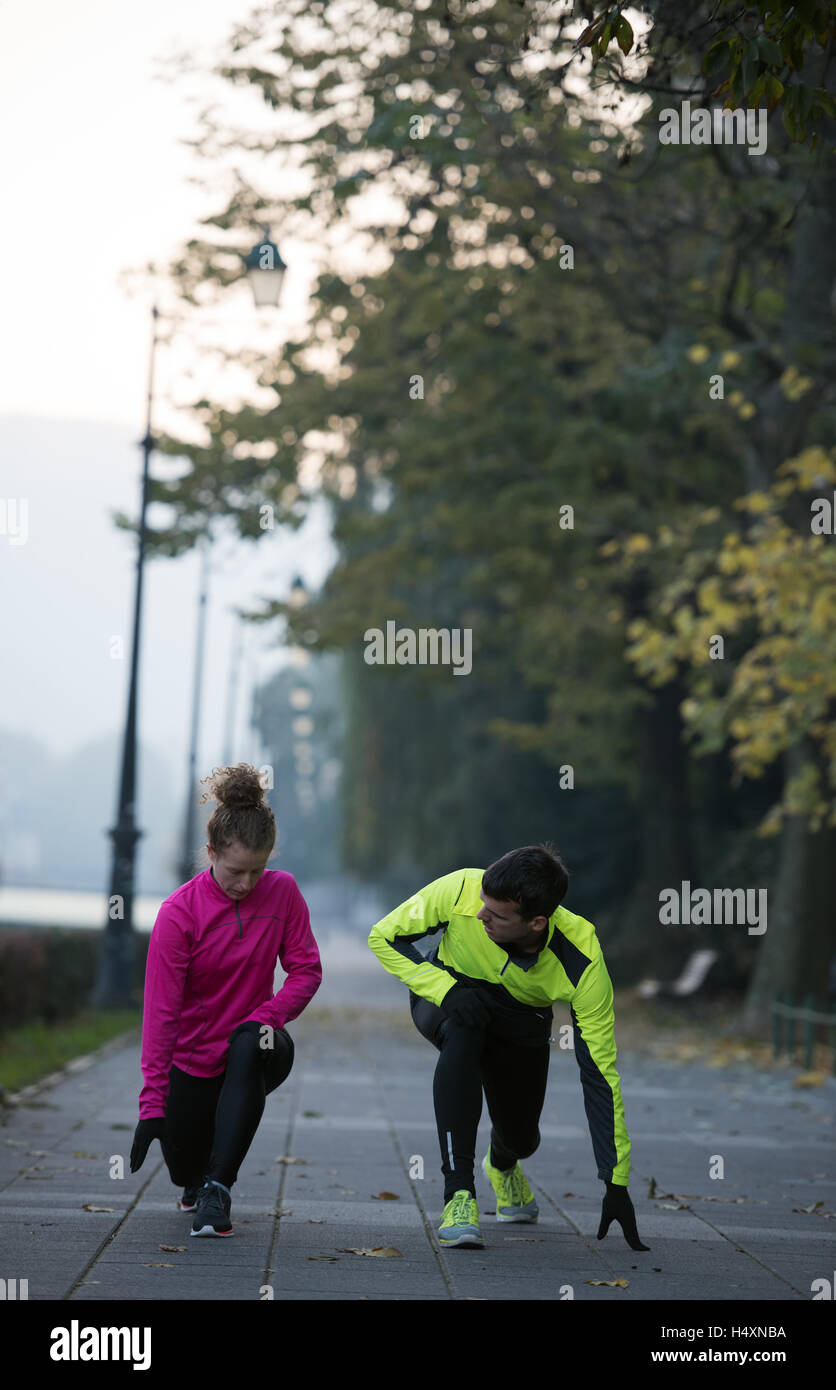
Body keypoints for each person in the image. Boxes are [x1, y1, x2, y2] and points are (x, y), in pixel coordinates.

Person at [368, 843, 649, 1251]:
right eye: (483, 904)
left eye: (496, 915)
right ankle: (459, 1196)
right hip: (449, 996)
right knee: (464, 1033)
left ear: (536, 923)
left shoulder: (582, 958)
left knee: (522, 1138)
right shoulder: (462, 887)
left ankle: (502, 1164)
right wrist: (445, 990)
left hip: (523, 1023)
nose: (480, 914)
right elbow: (384, 937)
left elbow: (599, 1074)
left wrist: (616, 1180)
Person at [129, 763, 322, 1237]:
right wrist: (153, 1103)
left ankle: (219, 1188)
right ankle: (198, 1180)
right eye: (236, 871)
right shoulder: (179, 915)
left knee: (251, 1044)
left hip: (256, 1047)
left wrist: (265, 1017)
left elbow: (306, 971)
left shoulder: (284, 892)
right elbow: (161, 1014)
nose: (247, 884)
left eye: (258, 870)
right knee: (182, 1172)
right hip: (192, 1063)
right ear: (211, 853)